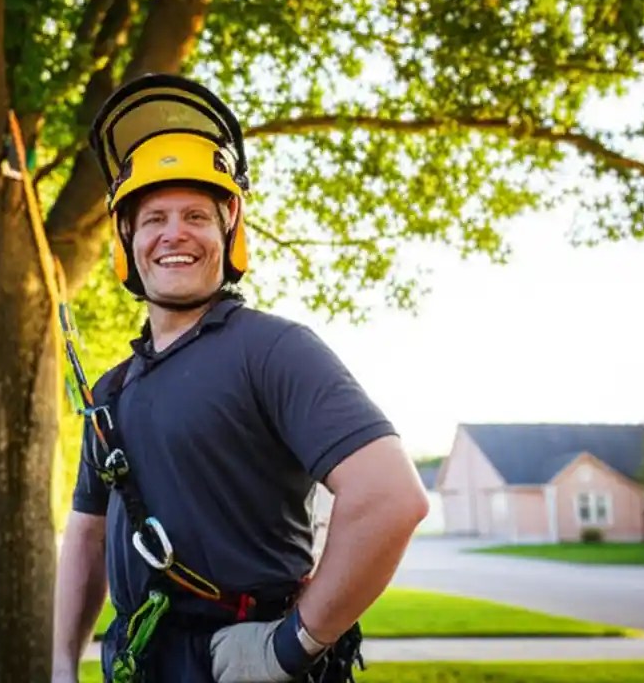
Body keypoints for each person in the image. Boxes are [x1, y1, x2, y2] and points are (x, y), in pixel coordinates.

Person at [51, 74, 429, 683]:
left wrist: (292, 644)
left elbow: (391, 497)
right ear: (128, 240)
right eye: (154, 219)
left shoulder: (274, 350)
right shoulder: (111, 392)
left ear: (229, 233)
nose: (174, 234)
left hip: (244, 662)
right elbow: (87, 537)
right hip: (139, 663)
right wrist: (60, 665)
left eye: (196, 215)